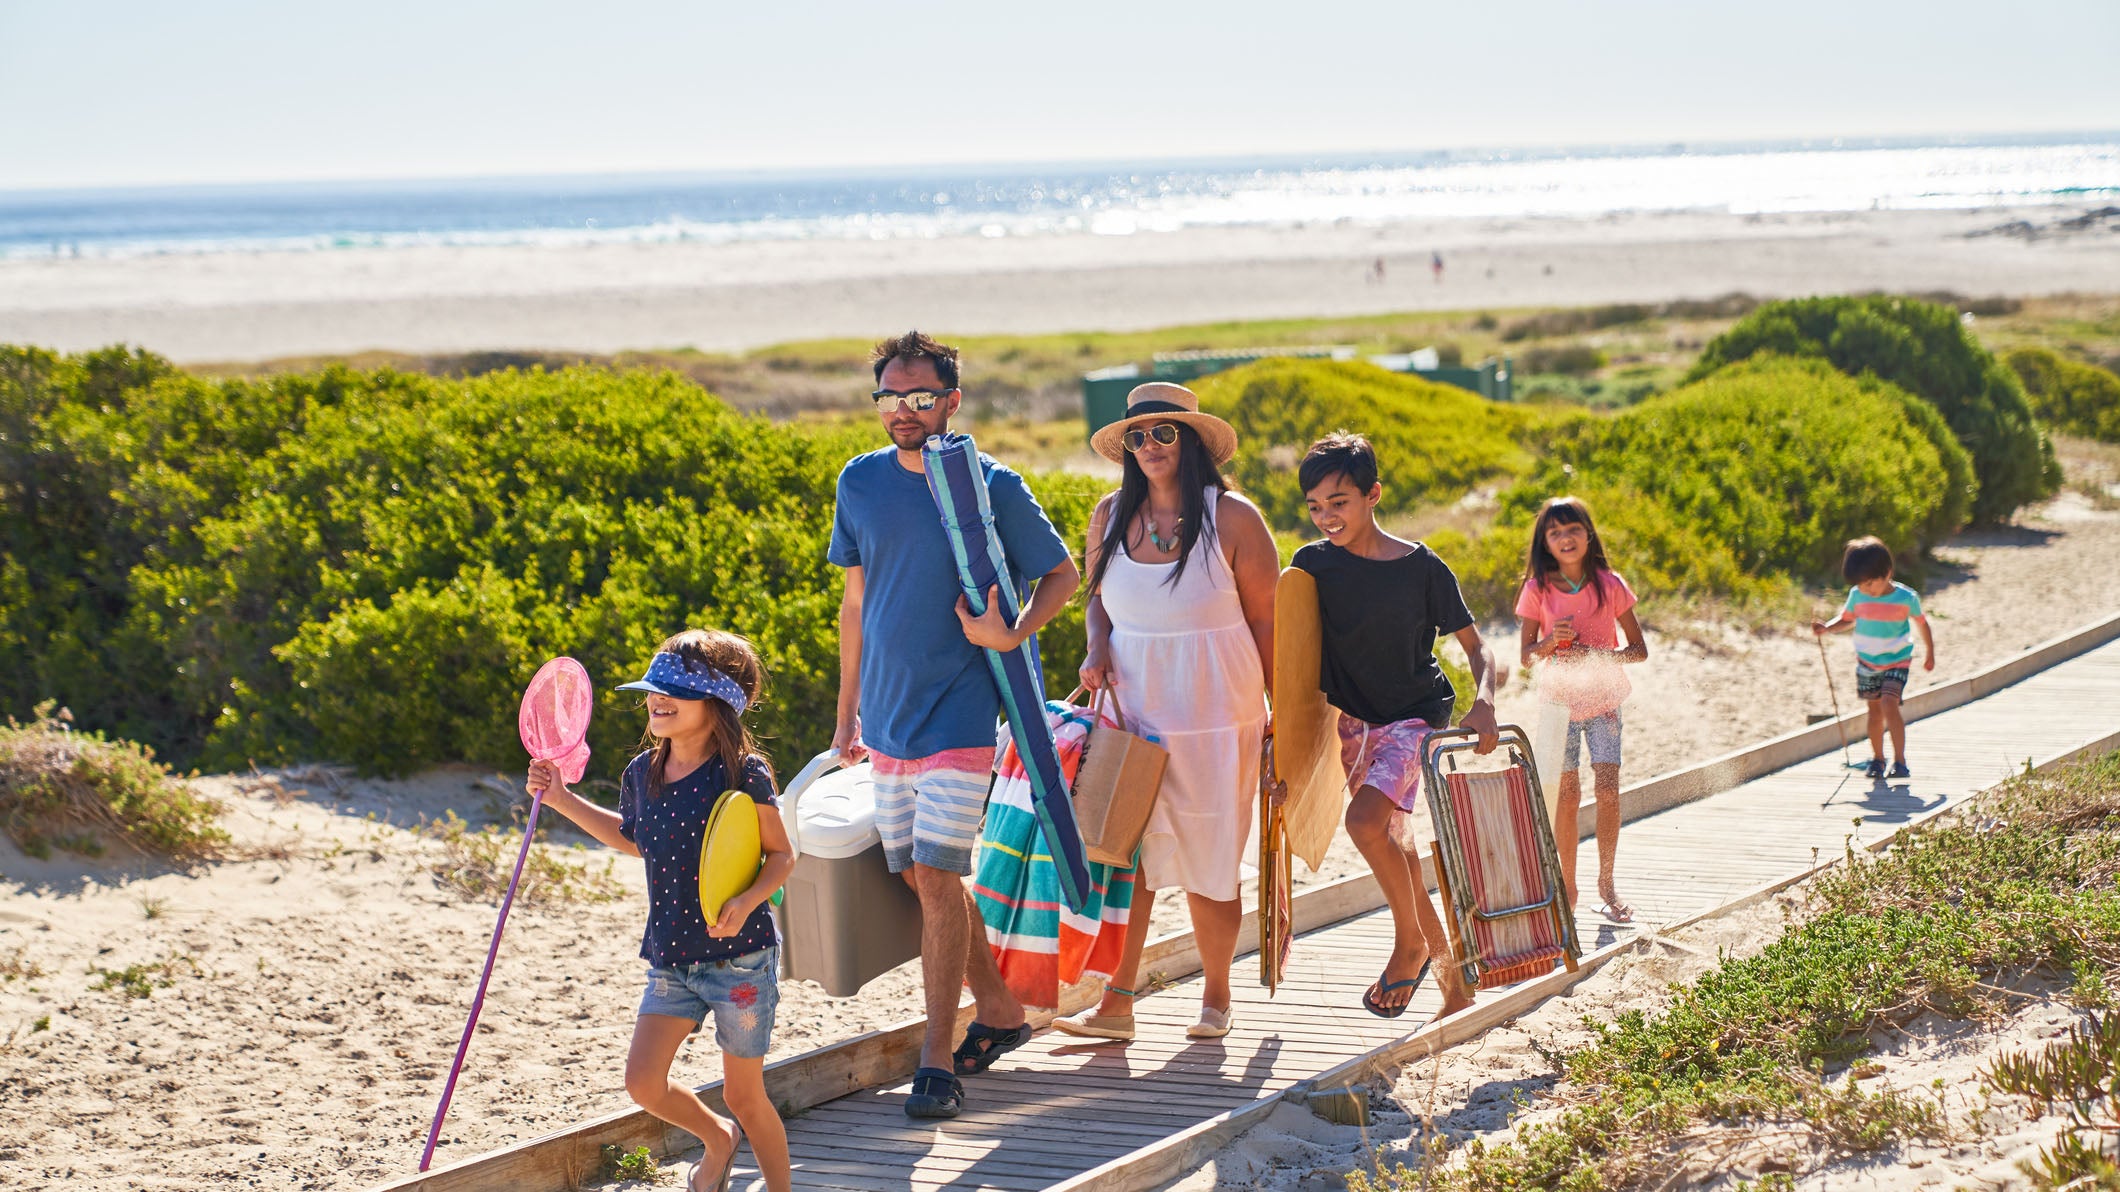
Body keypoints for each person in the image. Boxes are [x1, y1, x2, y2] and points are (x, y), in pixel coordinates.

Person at [828, 330, 1081, 1119]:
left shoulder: (990, 484)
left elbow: (1063, 573)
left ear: (951, 400)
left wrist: (1012, 633)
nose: (904, 411)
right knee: (916, 878)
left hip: (963, 715)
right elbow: (856, 604)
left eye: (921, 397)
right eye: (891, 397)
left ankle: (937, 1061)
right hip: (888, 720)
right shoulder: (860, 483)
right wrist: (847, 720)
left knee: (937, 878)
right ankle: (1002, 1011)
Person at [527, 630, 793, 1192]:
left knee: (746, 1094)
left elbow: (781, 856)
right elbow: (634, 838)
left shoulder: (743, 773)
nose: (656, 698)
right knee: (644, 1084)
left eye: (674, 690)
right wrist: (560, 799)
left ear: (719, 704)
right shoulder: (642, 772)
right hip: (672, 956)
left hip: (739, 961)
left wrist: (747, 902)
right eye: (652, 688)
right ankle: (717, 1138)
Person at [1055, 383, 1276, 1043]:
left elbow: (1269, 621)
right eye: (1138, 436)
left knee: (1211, 857)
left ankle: (1216, 996)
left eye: (1164, 433)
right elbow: (1096, 600)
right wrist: (1096, 644)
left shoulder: (1233, 518)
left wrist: (1280, 719)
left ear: (1192, 440)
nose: (1150, 445)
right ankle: (1117, 1005)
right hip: (1131, 713)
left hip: (1218, 714)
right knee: (1129, 858)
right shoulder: (1108, 515)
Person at [1293, 432, 1497, 1021]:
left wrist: (1483, 705)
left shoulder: (1421, 568)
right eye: (1315, 506)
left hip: (1414, 717)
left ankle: (1409, 946)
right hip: (1355, 726)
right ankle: (1454, 985)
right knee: (1401, 852)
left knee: (1365, 823)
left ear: (1373, 494)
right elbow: (1295, 652)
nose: (1327, 516)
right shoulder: (1312, 567)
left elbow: (1480, 652)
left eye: (1340, 501)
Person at [1514, 496, 1648, 924]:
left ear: (1588, 534)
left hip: (1605, 702)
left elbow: (1639, 651)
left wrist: (1597, 654)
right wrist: (1551, 643)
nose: (1564, 538)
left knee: (1608, 791)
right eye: (1554, 533)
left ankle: (1607, 885)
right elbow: (1526, 656)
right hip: (1557, 706)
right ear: (1545, 543)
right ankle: (1567, 892)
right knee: (1566, 799)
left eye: (1572, 529)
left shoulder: (1610, 584)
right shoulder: (1536, 589)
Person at [1811, 536, 1935, 779]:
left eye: (1870, 583)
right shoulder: (1858, 595)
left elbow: (1922, 623)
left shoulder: (1905, 598)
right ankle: (1877, 759)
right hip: (1867, 661)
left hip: (1897, 660)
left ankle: (1900, 762)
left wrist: (1930, 653)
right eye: (1861, 584)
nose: (1866, 589)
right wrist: (1826, 628)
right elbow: (1847, 619)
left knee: (1889, 703)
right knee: (1874, 711)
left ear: (1887, 572)